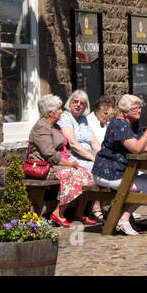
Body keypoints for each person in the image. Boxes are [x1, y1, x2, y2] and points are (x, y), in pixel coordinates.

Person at [91, 94, 147, 235]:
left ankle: (120, 217)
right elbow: (136, 148)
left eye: (139, 107)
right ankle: (123, 218)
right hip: (108, 172)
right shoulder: (119, 124)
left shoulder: (133, 122)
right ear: (125, 112)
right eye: (134, 109)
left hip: (121, 170)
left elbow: (140, 143)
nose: (138, 111)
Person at [26, 95, 93, 226]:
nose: (62, 111)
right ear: (50, 112)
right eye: (59, 109)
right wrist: (69, 164)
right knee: (75, 175)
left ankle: (77, 214)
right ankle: (59, 213)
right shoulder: (41, 127)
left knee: (89, 175)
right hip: (45, 166)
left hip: (56, 165)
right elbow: (49, 154)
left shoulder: (55, 126)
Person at [59, 90, 105, 224]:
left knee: (103, 168)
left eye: (82, 103)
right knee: (92, 172)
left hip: (87, 156)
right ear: (70, 103)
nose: (78, 105)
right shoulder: (65, 117)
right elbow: (72, 143)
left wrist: (102, 155)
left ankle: (80, 214)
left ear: (86, 107)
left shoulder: (84, 119)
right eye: (75, 102)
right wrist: (92, 158)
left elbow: (94, 141)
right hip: (74, 157)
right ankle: (95, 208)